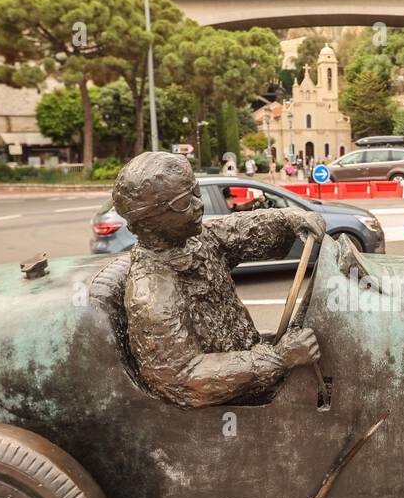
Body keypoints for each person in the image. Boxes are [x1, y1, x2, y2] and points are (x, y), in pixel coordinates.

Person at [114, 152, 325, 409]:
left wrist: (290, 220)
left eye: (195, 191)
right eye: (183, 203)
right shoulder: (152, 294)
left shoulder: (195, 239)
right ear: (149, 221)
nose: (197, 205)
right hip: (237, 404)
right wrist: (280, 358)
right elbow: (184, 379)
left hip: (254, 368)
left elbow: (241, 229)